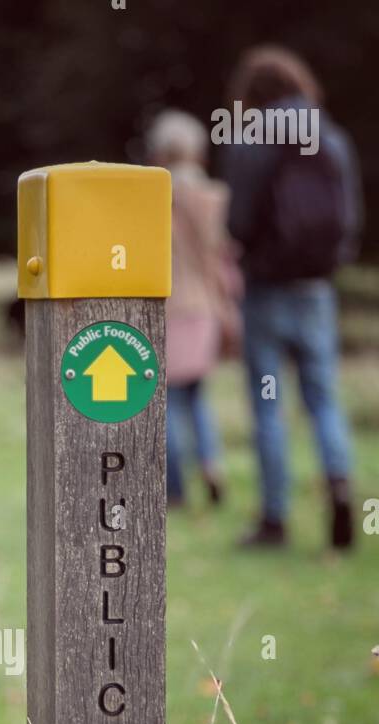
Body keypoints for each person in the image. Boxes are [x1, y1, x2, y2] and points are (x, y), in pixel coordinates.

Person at [223, 46, 363, 549]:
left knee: (268, 403)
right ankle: (340, 484)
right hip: (315, 288)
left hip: (265, 289)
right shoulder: (332, 137)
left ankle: (275, 517)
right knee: (323, 399)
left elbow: (237, 220)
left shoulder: (252, 140)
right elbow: (349, 218)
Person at [146, 110, 240, 508]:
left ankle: (176, 488)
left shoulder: (153, 196)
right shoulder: (216, 198)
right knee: (198, 397)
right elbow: (225, 257)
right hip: (204, 307)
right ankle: (212, 464)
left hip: (166, 306)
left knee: (166, 401)